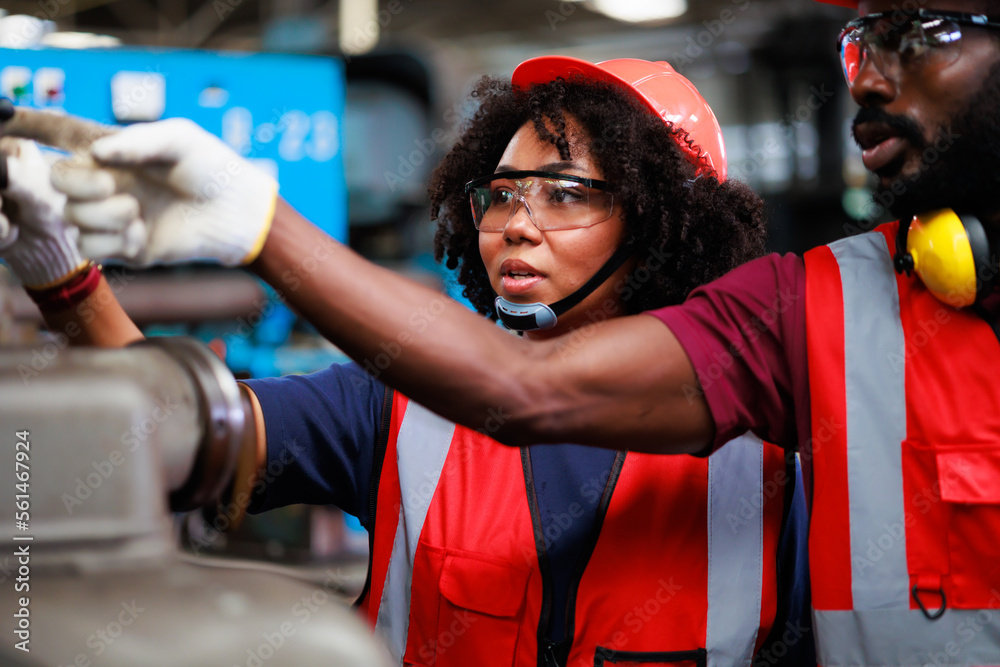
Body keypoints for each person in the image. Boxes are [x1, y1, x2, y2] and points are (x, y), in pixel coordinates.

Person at [0, 58, 814, 666]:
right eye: (499, 194)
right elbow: (174, 433)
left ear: (663, 223)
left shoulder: (783, 446)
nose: (515, 225)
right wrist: (64, 278)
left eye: (563, 193)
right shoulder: (402, 401)